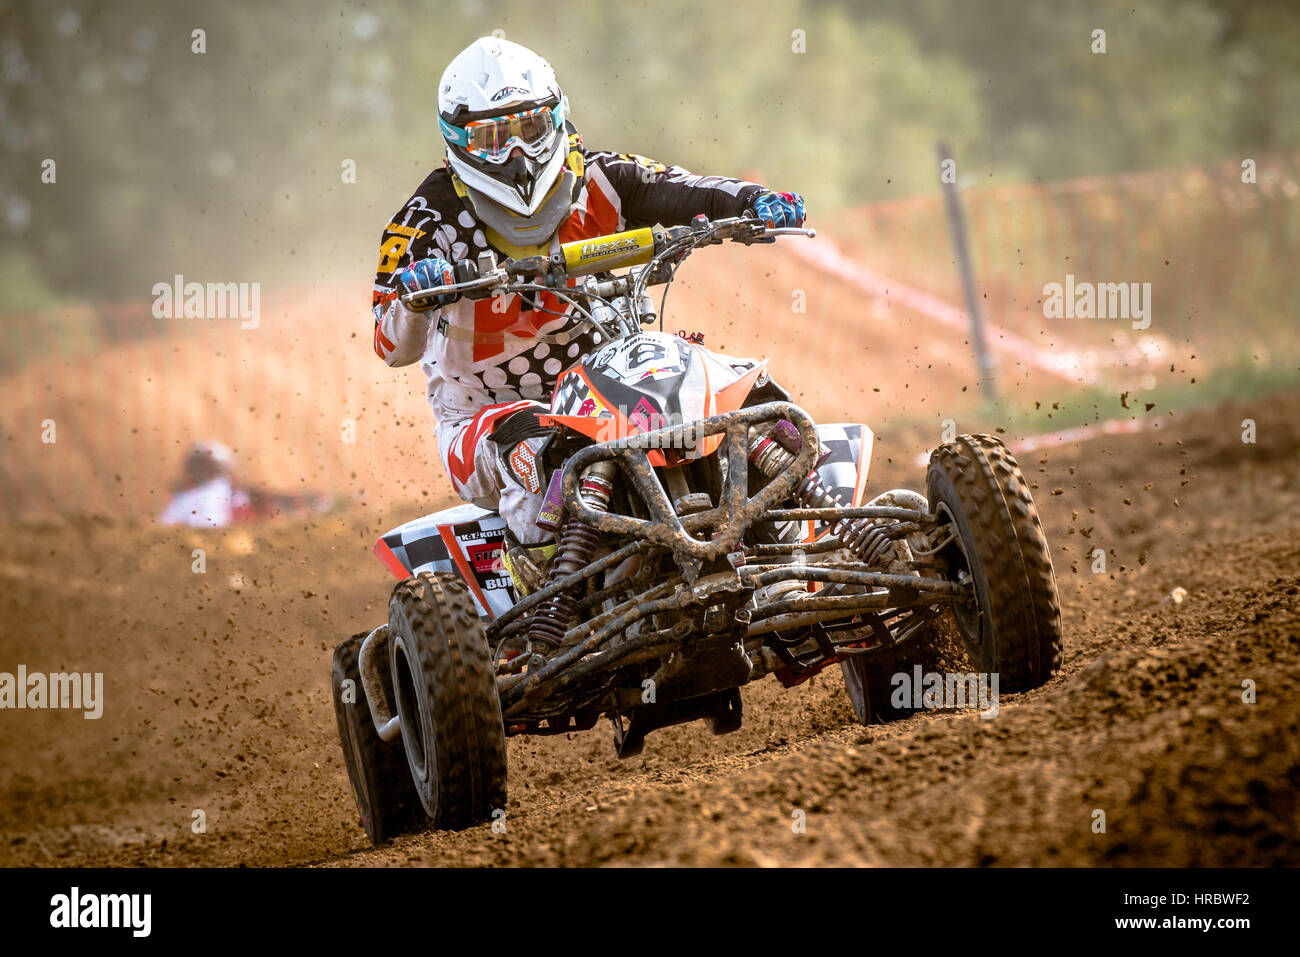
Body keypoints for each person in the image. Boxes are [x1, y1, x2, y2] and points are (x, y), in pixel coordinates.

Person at [371, 36, 805, 561]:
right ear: (457, 140)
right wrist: (415, 295)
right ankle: (544, 594)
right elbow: (391, 345)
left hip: (616, 383)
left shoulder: (601, 177)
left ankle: (807, 541)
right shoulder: (426, 216)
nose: (517, 154)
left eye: (530, 129)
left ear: (556, 118)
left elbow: (689, 188)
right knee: (541, 449)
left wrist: (752, 199)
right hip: (490, 414)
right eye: (493, 139)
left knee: (748, 399)